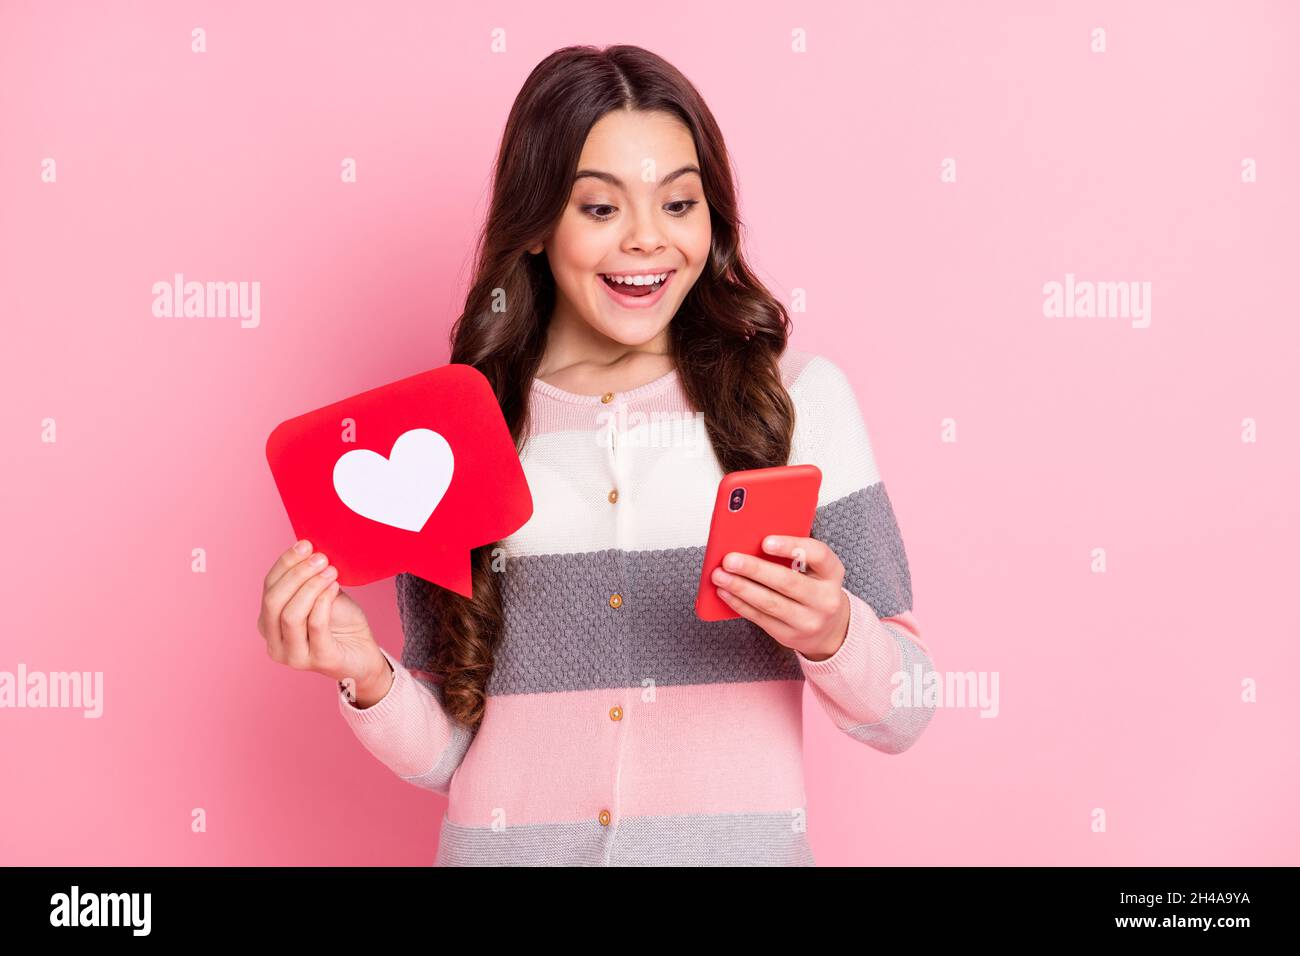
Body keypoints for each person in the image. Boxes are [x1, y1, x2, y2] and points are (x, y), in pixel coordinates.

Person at [257, 44, 936, 866]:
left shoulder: (798, 399)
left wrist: (834, 633)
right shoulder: (461, 426)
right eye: (601, 209)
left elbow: (908, 705)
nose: (648, 241)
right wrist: (364, 673)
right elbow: (451, 756)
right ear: (539, 223)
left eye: (679, 204)